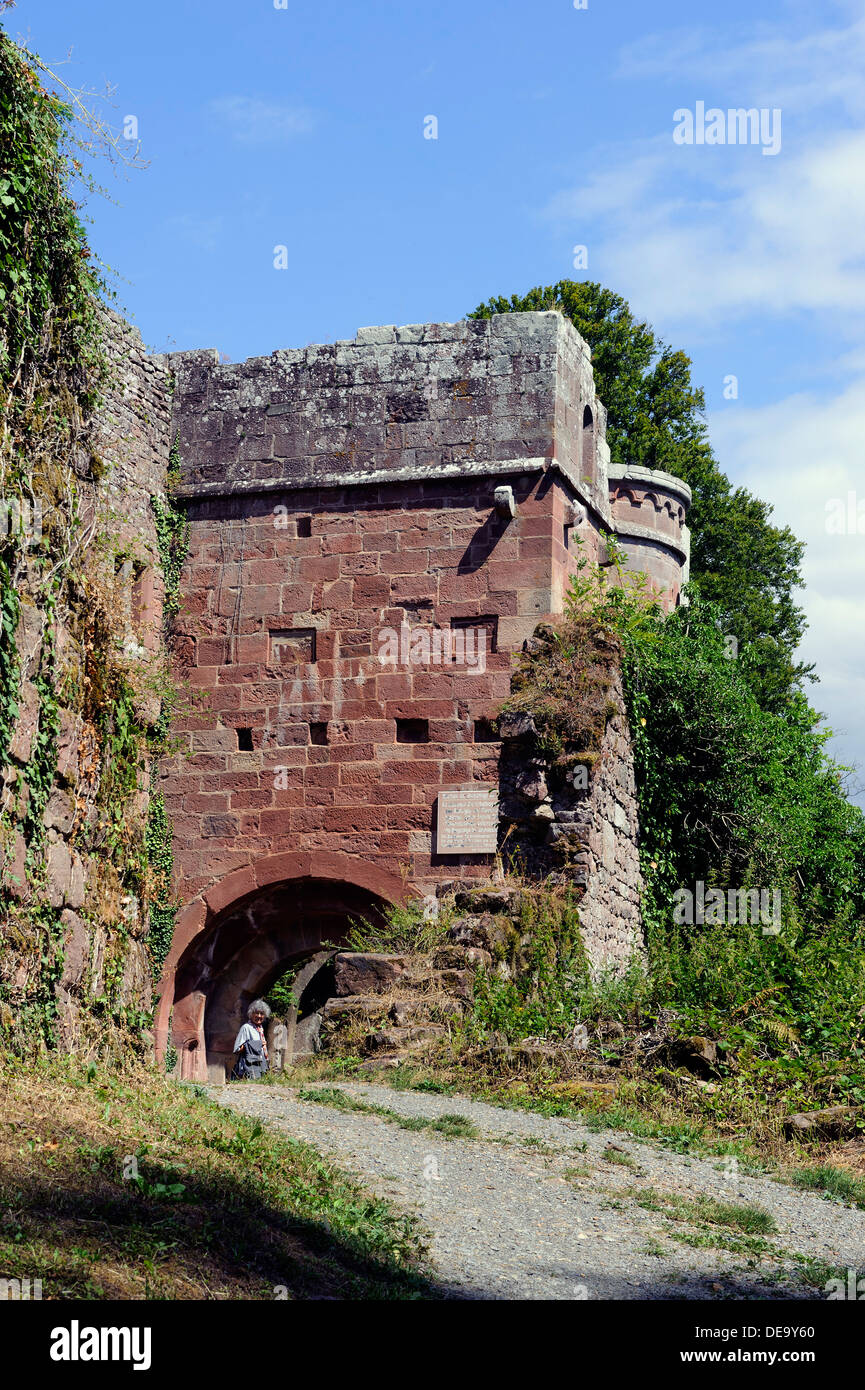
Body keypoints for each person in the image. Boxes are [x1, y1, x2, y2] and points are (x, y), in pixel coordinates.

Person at [231, 999, 271, 1080]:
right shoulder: (246, 1028)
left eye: (262, 1013)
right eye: (257, 1013)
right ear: (251, 1014)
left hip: (261, 1065)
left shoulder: (260, 1028)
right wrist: (254, 1044)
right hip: (249, 1066)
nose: (259, 1016)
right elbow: (237, 1049)